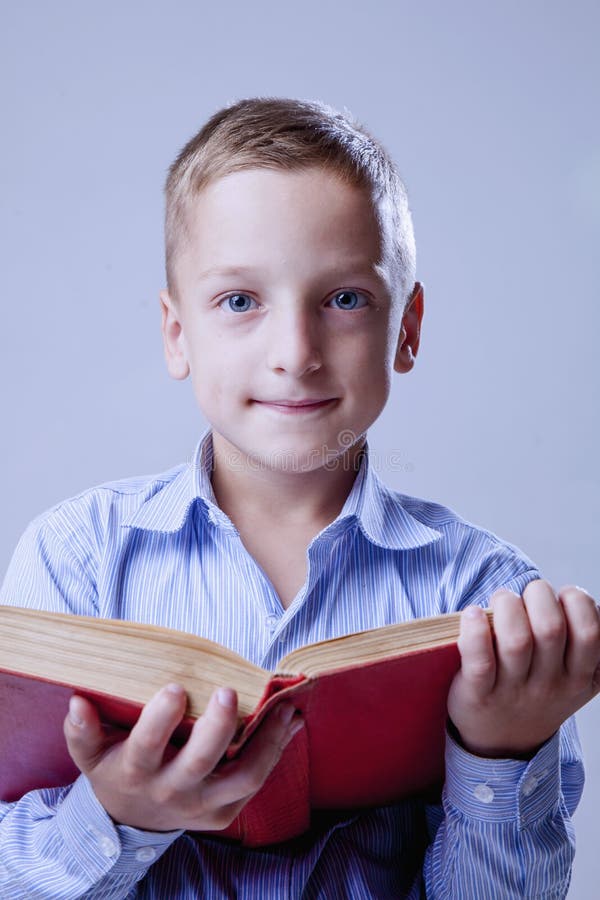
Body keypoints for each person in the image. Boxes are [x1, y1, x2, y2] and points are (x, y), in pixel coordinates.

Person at [1, 96, 598, 899]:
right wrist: (114, 813)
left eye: (344, 299)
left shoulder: (483, 593)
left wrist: (497, 753)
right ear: (178, 333)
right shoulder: (75, 555)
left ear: (407, 327)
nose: (296, 354)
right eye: (240, 301)